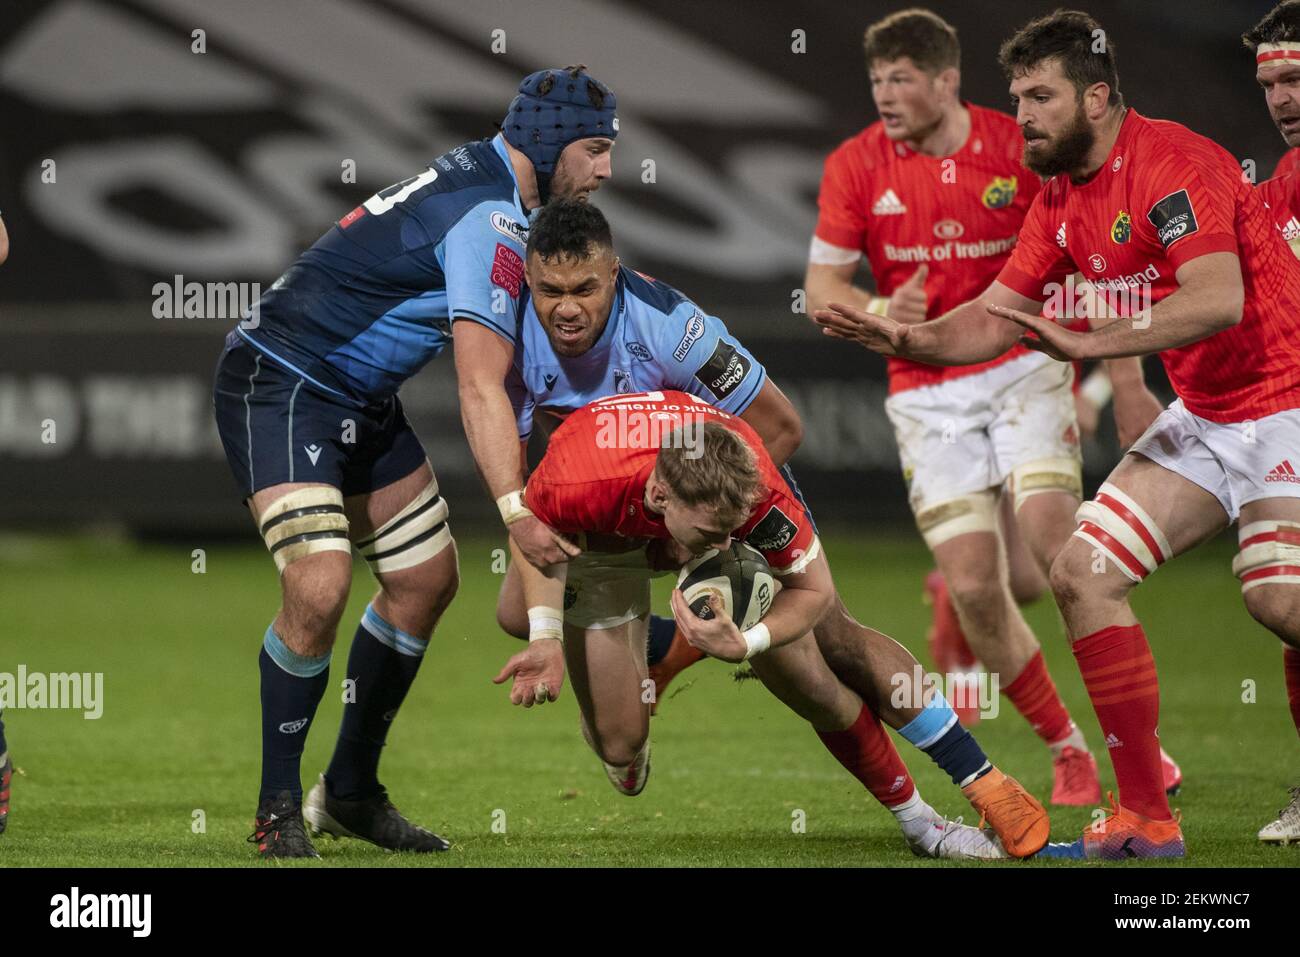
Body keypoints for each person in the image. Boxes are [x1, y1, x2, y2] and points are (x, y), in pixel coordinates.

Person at [814, 9, 1300, 859]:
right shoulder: (1063, 196)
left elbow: (1216, 296)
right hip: (1214, 414)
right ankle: (1148, 819)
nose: (1024, 114)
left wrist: (1093, 343)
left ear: (1099, 97)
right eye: (1018, 95)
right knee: (1080, 573)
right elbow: (999, 315)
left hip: (1287, 400)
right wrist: (908, 340)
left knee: (1274, 599)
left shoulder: (1172, 163)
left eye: (1041, 96)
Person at [495, 198, 1063, 857]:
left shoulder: (674, 331)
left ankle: (960, 792)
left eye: (585, 288)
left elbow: (783, 427)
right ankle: (671, 640)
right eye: (550, 290)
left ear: (614, 274)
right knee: (527, 623)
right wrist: (553, 624)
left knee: (826, 657)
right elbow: (533, 525)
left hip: (722, 484)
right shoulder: (507, 342)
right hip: (602, 507)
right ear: (528, 281)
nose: (566, 307)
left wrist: (721, 539)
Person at [211, 66, 618, 858]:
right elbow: (478, 384)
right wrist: (516, 512)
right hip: (283, 379)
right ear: (551, 139)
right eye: (596, 149)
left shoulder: (488, 185)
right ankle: (276, 809)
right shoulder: (492, 218)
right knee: (319, 582)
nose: (605, 170)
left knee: (426, 579)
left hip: (355, 397)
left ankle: (352, 791)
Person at [495, 390, 1051, 859]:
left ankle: (925, 823)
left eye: (731, 530)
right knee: (614, 740)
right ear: (661, 497)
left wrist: (750, 640)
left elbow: (814, 590)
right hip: (600, 539)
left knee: (820, 674)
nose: (725, 545)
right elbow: (536, 541)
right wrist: (545, 635)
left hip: (688, 508)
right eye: (713, 535)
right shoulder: (576, 477)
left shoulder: (752, 488)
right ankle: (657, 644)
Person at [805, 8, 1132, 803]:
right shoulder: (856, 165)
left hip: (1023, 363)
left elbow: (1095, 259)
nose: (885, 94)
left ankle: (1138, 750)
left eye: (902, 79)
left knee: (1059, 553)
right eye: (876, 80)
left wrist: (1123, 384)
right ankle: (1068, 746)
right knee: (980, 587)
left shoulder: (1016, 148)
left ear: (946, 82)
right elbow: (821, 292)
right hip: (927, 392)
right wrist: (885, 309)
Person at [1243, 0, 1300, 845]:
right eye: (1272, 85)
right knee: (1286, 598)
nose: (1283, 99)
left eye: (1296, 79)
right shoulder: (1281, 183)